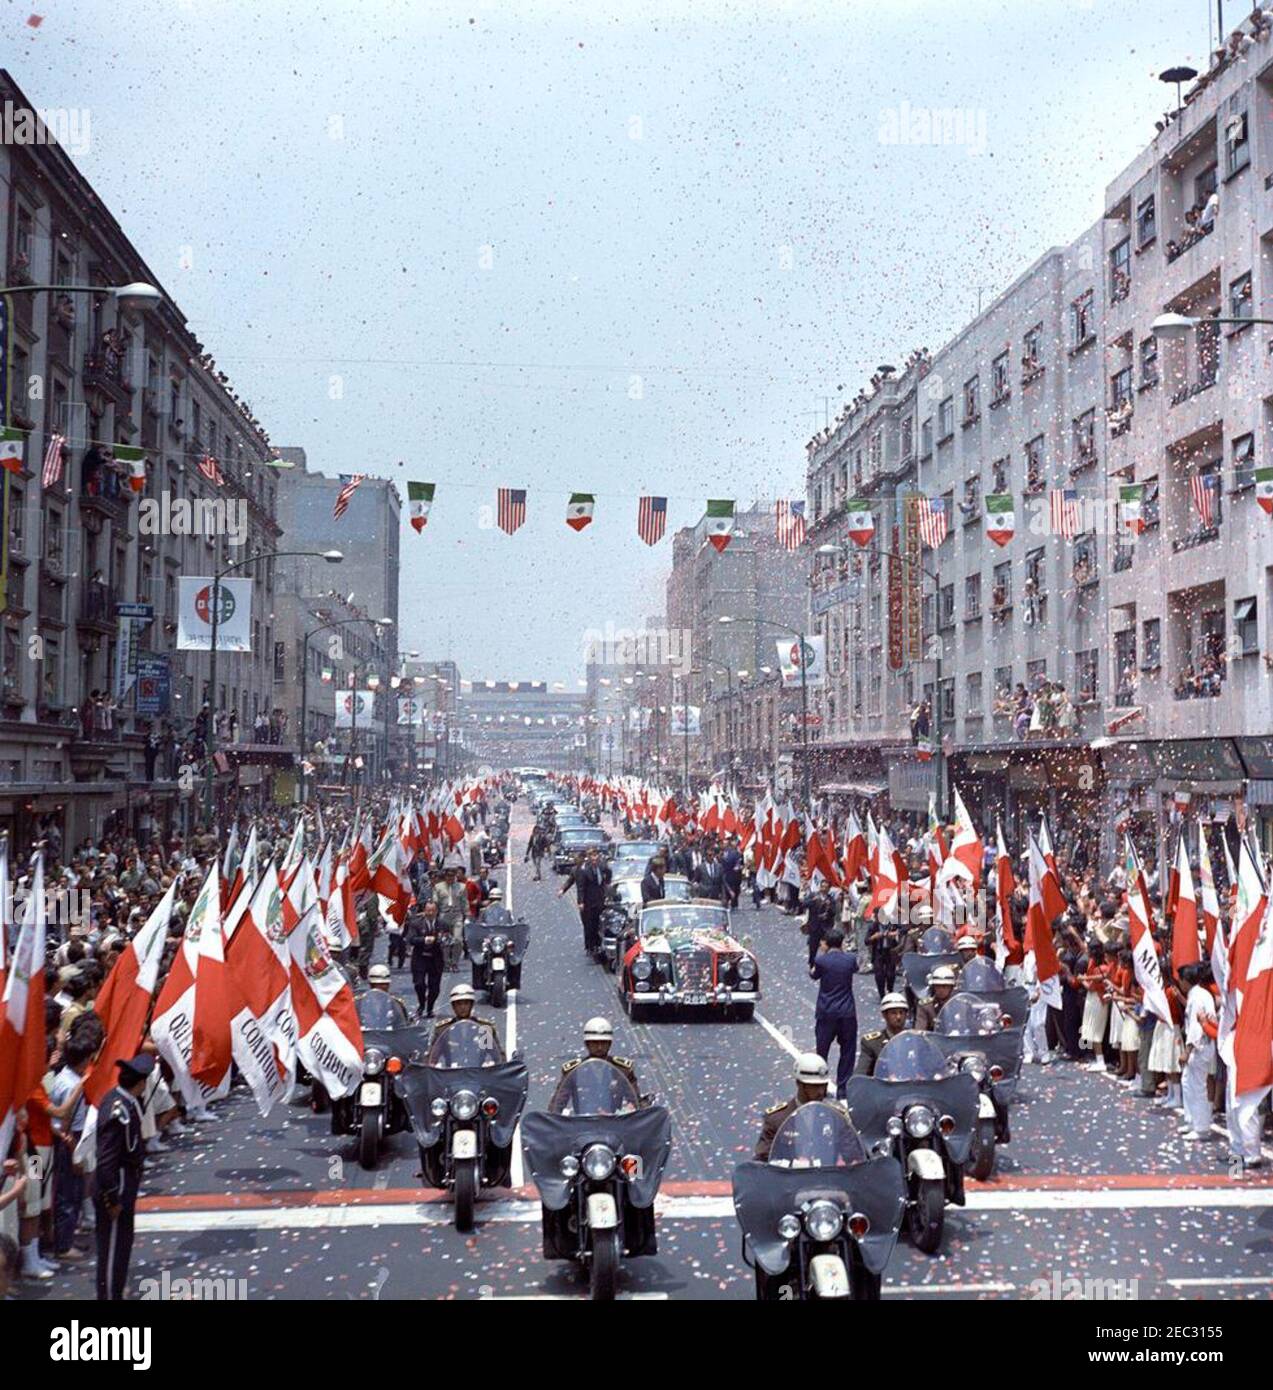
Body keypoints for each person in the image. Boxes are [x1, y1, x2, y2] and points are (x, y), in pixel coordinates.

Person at [94, 1054, 150, 1301]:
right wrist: (112, 1197)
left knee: (122, 1244)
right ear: (140, 1083)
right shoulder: (118, 1110)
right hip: (117, 1182)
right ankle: (108, 1295)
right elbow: (107, 1159)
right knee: (113, 1248)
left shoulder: (121, 1101)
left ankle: (115, 1291)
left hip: (125, 1180)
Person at [754, 1053, 840, 1161]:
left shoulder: (836, 1118)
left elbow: (853, 1157)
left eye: (824, 1086)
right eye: (815, 1086)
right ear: (799, 1084)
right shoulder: (776, 1120)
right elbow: (762, 1160)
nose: (821, 1092)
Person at [810, 927, 859, 1100]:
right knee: (847, 1051)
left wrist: (820, 951)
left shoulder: (822, 961)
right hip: (847, 1012)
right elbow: (855, 968)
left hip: (826, 1011)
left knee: (822, 1051)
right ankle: (843, 1089)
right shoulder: (850, 959)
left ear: (826, 943)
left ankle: (819, 1087)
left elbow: (813, 975)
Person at [1179, 964, 1217, 1142]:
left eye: (1181, 980)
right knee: (1187, 1081)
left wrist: (1187, 1052)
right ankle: (1191, 1120)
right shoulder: (1199, 994)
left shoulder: (1197, 998)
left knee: (1197, 1086)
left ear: (1186, 981)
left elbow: (1195, 1029)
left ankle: (1201, 1127)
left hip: (1200, 1046)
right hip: (1200, 1046)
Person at [561, 1017, 639, 1090]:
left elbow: (634, 1097)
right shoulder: (573, 1071)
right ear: (587, 1044)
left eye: (604, 1043)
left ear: (610, 1044)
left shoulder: (623, 1069)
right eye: (595, 1043)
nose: (599, 1047)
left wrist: (631, 1104)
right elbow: (559, 1100)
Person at [559, 847, 611, 956]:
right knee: (588, 924)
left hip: (600, 899)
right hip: (588, 901)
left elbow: (608, 872)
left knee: (598, 923)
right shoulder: (582, 870)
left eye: (596, 856)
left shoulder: (602, 866)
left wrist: (607, 884)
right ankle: (590, 946)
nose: (594, 859)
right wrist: (580, 901)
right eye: (592, 856)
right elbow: (579, 887)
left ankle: (597, 945)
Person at [429, 983, 501, 1050]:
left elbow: (497, 1056)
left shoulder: (484, 1028)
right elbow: (432, 1058)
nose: (462, 1007)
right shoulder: (443, 1029)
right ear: (453, 1006)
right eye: (459, 1004)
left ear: (471, 1005)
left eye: (466, 1003)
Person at [406, 900, 446, 1018]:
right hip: (420, 958)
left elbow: (447, 938)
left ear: (436, 911)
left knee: (434, 987)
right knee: (419, 984)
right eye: (428, 910)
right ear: (424, 911)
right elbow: (411, 939)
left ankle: (430, 1008)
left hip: (435, 958)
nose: (430, 913)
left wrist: (441, 940)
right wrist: (424, 940)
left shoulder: (442, 924)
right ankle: (421, 1004)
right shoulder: (416, 923)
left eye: (433, 910)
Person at [856, 993, 910, 1075]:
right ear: (885, 1015)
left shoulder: (916, 1039)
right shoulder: (872, 1043)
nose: (898, 1017)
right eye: (894, 1013)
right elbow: (860, 1073)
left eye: (901, 1012)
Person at [800, 885, 837, 968]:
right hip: (814, 926)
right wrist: (812, 900)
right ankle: (812, 964)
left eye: (825, 887)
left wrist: (829, 907)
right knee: (813, 947)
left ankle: (826, 965)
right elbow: (804, 904)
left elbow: (834, 912)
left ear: (828, 889)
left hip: (826, 927)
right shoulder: (813, 895)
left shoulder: (831, 899)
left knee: (826, 947)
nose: (823, 889)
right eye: (822, 887)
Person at [913, 963, 958, 1032]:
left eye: (945, 986)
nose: (941, 990)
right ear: (933, 987)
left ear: (951, 987)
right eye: (938, 986)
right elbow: (920, 1031)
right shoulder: (926, 1006)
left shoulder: (960, 1005)